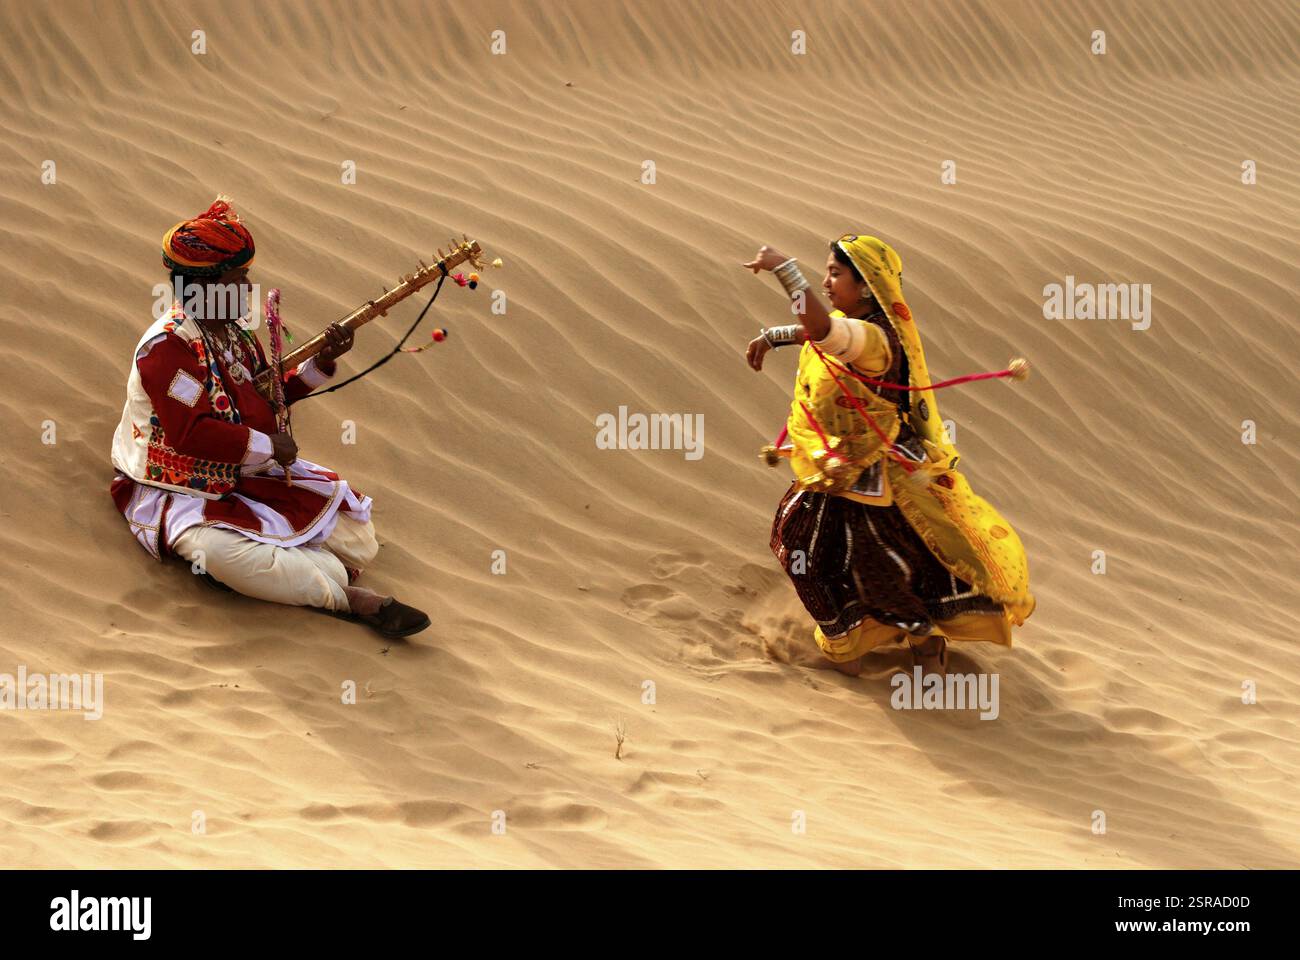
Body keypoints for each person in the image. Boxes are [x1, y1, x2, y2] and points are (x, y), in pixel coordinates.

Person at [109, 197, 430, 639]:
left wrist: (320, 365)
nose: (246, 288)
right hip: (177, 488)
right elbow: (190, 433)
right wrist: (268, 447)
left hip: (241, 473)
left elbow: (264, 398)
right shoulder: (168, 350)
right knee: (220, 555)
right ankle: (349, 599)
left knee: (360, 538)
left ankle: (306, 568)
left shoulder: (233, 334)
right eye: (237, 279)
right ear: (200, 288)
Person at [744, 234, 1034, 676]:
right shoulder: (857, 321)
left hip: (869, 475)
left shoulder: (874, 339)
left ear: (866, 287)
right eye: (825, 272)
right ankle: (897, 642)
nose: (825, 282)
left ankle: (884, 647)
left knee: (842, 556)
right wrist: (775, 336)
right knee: (866, 560)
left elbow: (827, 332)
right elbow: (821, 332)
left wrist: (786, 268)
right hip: (838, 468)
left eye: (835, 274)